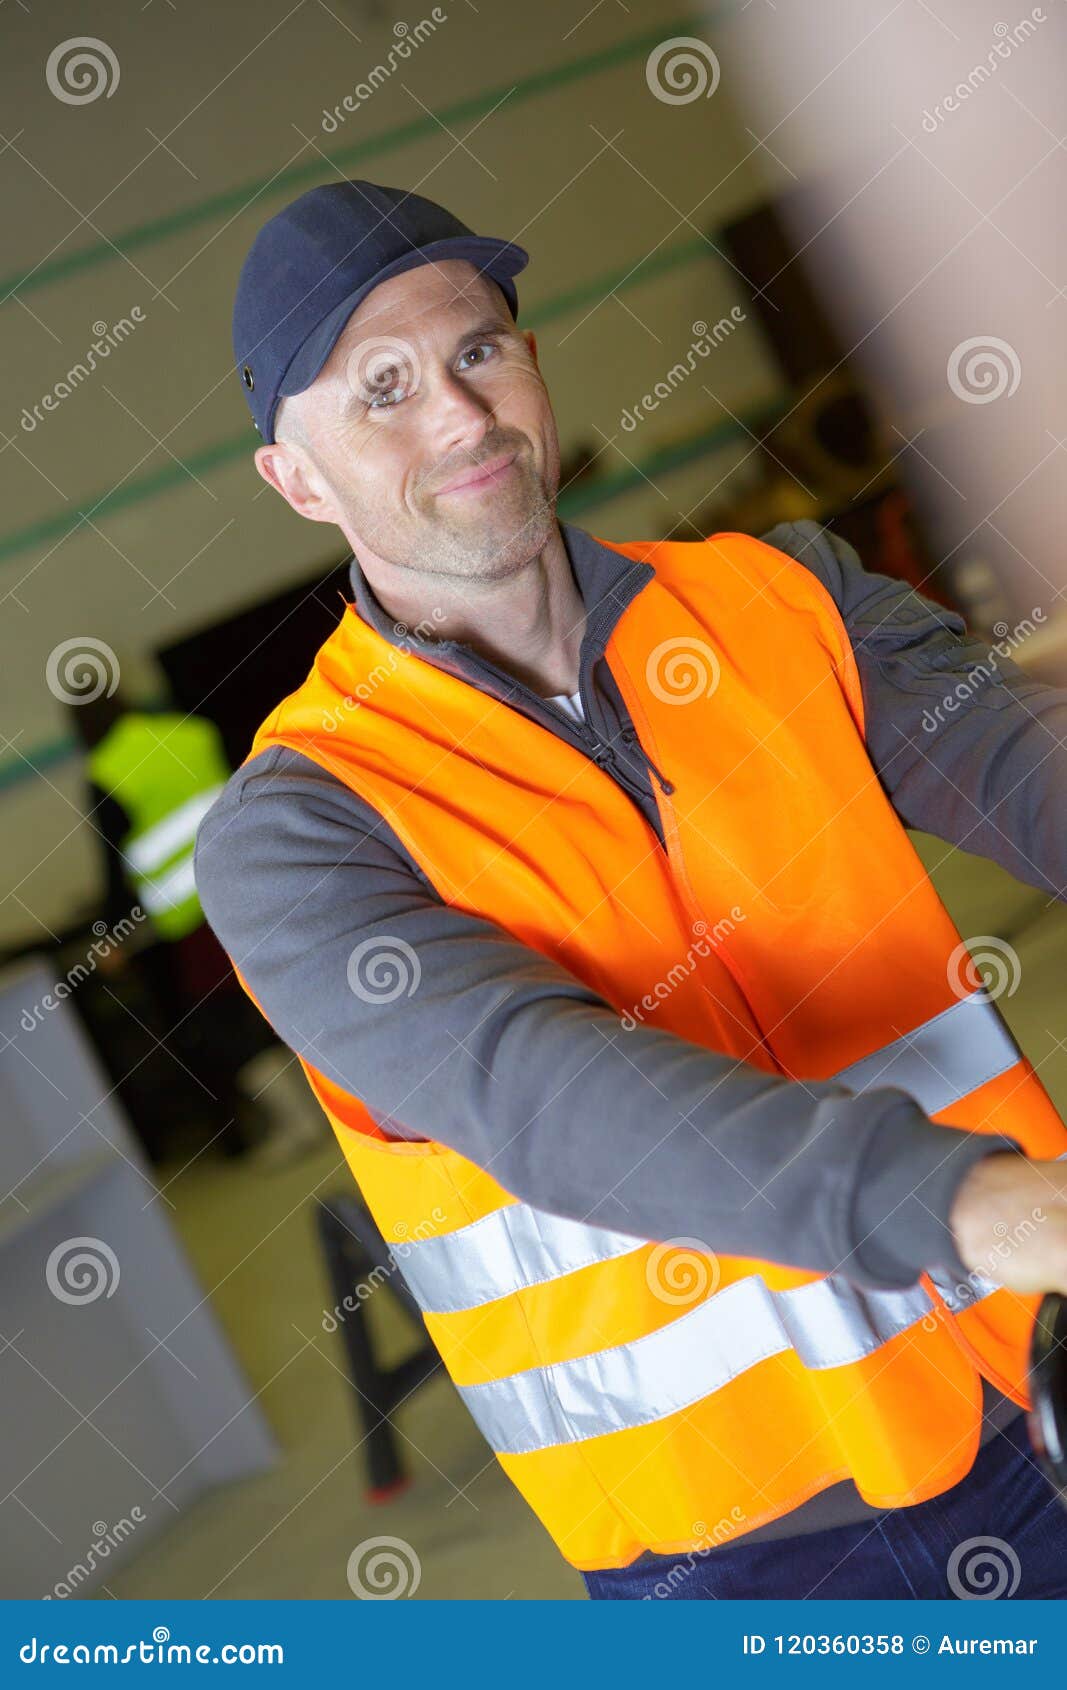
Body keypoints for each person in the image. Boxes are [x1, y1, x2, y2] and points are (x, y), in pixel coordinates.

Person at [194, 178, 1067, 1598]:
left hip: (1015, 1387)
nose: (461, 417)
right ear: (297, 479)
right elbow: (549, 1094)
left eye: (479, 351)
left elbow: (1021, 761)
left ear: (532, 367)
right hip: (742, 1549)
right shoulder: (299, 830)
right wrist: (993, 1207)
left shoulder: (781, 601)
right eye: (384, 391)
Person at [72, 688, 265, 1159]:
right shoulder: (191, 731)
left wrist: (110, 935)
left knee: (216, 1023)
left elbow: (112, 867)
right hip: (247, 884)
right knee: (266, 994)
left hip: (187, 921)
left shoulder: (105, 772)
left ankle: (262, 1131)